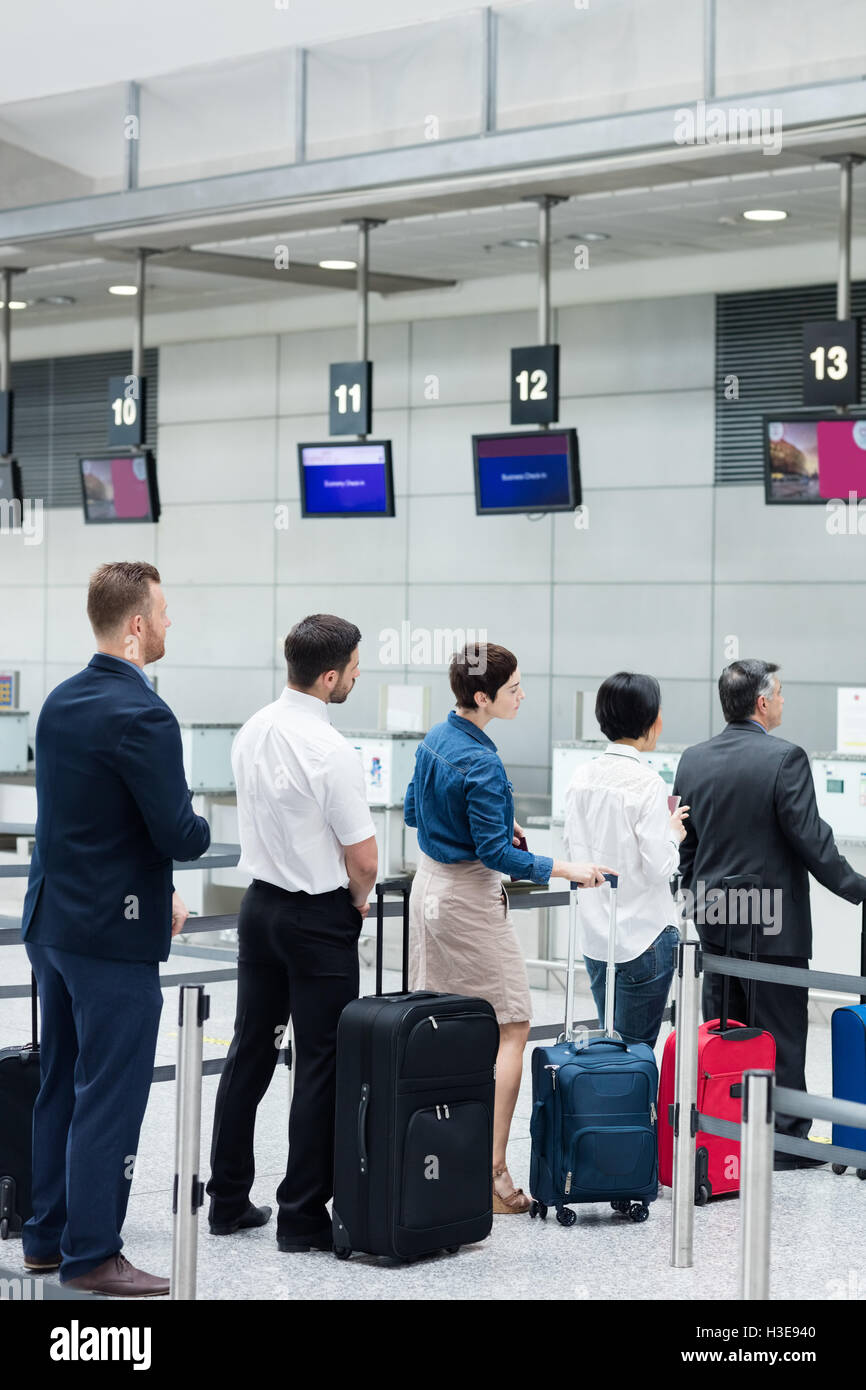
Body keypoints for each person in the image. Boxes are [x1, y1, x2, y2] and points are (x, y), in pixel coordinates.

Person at [21, 562, 210, 1296]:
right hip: (110, 941)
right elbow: (180, 832)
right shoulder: (144, 714)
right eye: (162, 611)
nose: (169, 623)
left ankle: (46, 1238)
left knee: (61, 1085)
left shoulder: (60, 702)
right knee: (112, 1093)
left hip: (54, 924)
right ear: (136, 624)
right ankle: (93, 1253)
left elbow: (80, 823)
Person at [404, 642, 610, 1215]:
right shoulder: (482, 762)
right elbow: (500, 854)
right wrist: (566, 867)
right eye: (514, 688)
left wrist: (491, 820)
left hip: (431, 890)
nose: (522, 695)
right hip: (468, 899)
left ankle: (439, 1157)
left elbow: (414, 814)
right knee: (512, 1025)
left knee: (444, 1027)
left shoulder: (435, 741)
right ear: (481, 696)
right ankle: (491, 1174)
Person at [207, 614, 377, 1253]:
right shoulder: (331, 751)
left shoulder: (252, 729)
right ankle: (301, 1217)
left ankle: (225, 1201)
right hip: (317, 917)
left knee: (250, 1048)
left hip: (260, 911)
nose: (358, 676)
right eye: (355, 669)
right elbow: (363, 860)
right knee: (319, 1062)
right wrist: (356, 904)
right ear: (330, 676)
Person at [673, 658, 866, 1169]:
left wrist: (696, 900)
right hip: (772, 923)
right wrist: (858, 889)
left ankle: (724, 1129)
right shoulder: (785, 759)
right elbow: (812, 841)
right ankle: (783, 1141)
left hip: (713, 917)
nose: (783, 701)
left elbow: (686, 845)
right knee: (778, 1035)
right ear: (762, 702)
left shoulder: (692, 759)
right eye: (779, 693)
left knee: (723, 1027)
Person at [563, 672, 688, 1048]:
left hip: (596, 937)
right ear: (652, 720)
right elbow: (658, 866)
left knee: (609, 1048)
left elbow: (573, 852)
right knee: (634, 1056)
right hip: (644, 938)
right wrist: (673, 834)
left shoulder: (580, 777)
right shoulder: (647, 783)